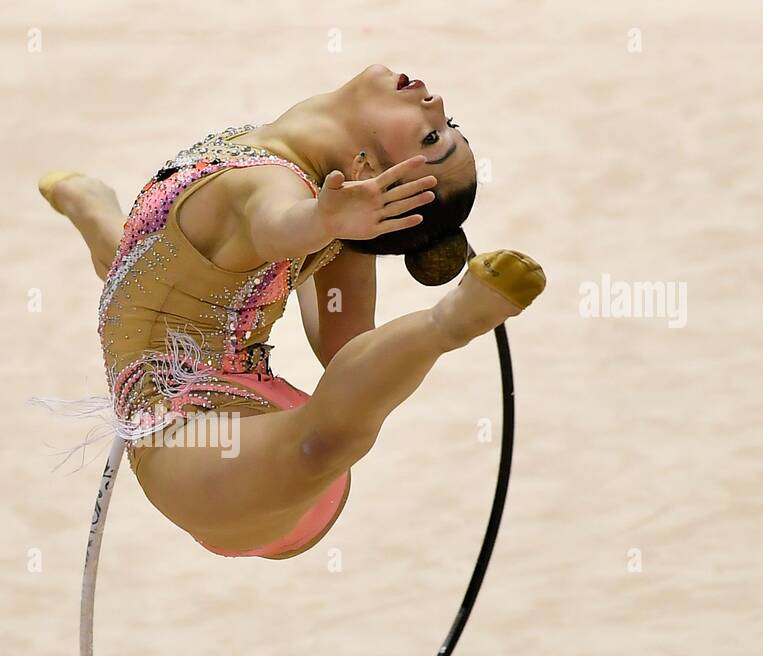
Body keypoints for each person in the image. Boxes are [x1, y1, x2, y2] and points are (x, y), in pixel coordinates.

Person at [39, 65, 545, 559]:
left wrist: (322, 221)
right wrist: (328, 222)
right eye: (448, 129)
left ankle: (449, 324)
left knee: (316, 441)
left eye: (431, 138)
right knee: (143, 270)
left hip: (206, 451)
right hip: (249, 422)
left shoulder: (283, 197)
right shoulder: (294, 179)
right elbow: (334, 333)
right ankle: (91, 205)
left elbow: (274, 226)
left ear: (369, 169)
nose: (437, 105)